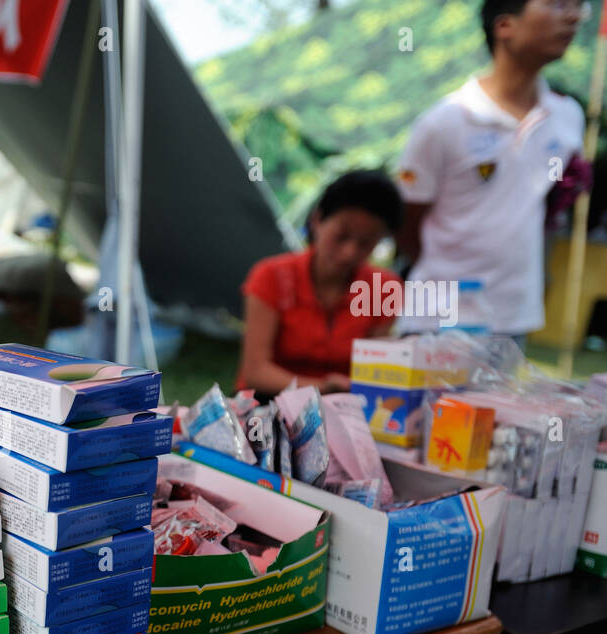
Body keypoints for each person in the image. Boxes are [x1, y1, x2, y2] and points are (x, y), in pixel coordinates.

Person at [395, 0, 586, 338]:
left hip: (514, 317)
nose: (573, 16)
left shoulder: (568, 116)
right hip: (437, 319)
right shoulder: (444, 121)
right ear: (505, 26)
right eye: (557, 4)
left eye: (577, 6)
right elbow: (406, 219)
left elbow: (546, 208)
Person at [236, 170, 404, 397]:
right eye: (342, 236)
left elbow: (375, 370)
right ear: (317, 220)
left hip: (347, 407)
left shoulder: (384, 288)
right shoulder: (270, 276)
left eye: (365, 243)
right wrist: (322, 387)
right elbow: (256, 372)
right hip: (269, 406)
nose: (349, 252)